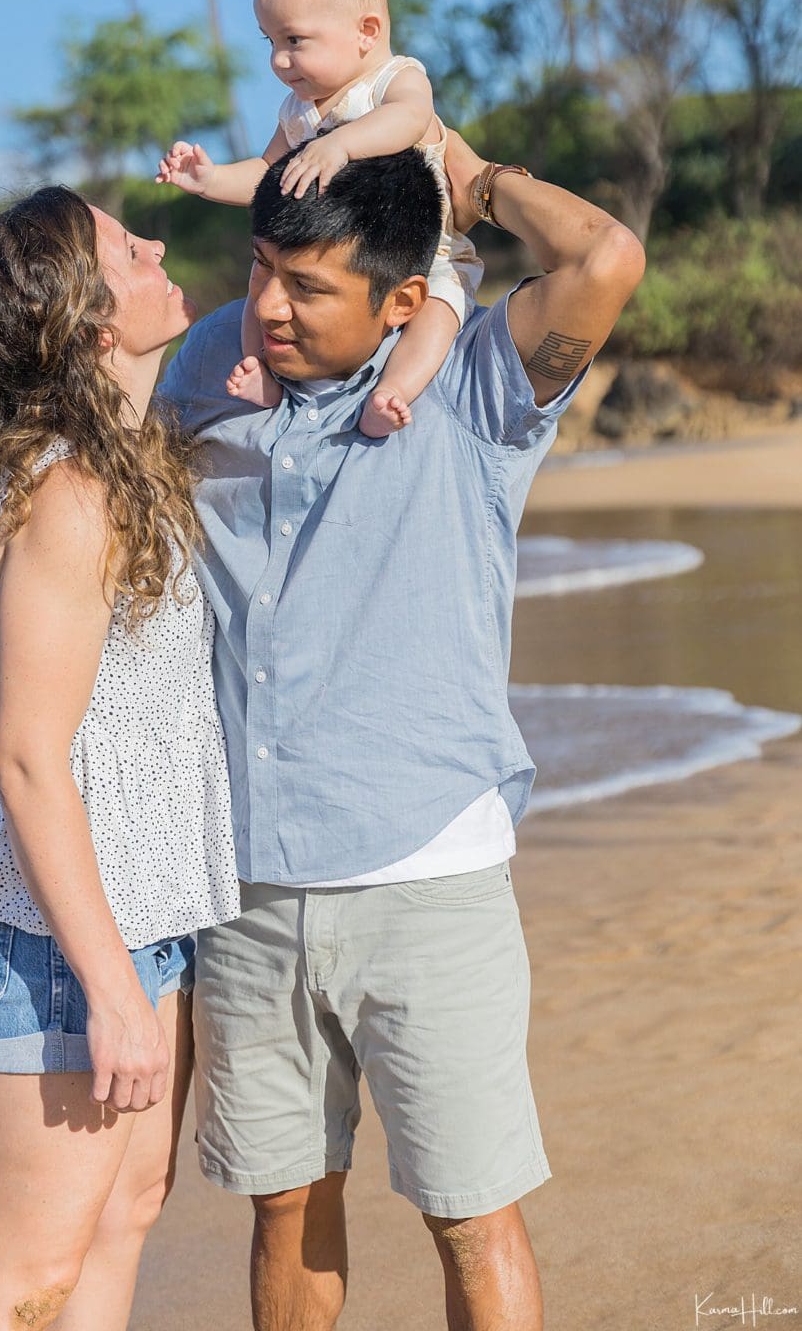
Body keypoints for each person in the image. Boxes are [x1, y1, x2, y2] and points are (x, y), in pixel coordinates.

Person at [156, 136, 645, 1330]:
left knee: (470, 1212)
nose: (267, 305)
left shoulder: (474, 385)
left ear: (402, 302)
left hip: (426, 876)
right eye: (260, 267)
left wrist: (473, 180)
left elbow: (603, 255)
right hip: (250, 884)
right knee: (282, 1207)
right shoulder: (210, 362)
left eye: (307, 285)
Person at [0, 186, 241, 1331]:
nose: (155, 246)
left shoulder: (123, 464)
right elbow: (27, 760)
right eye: (123, 246)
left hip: (127, 908)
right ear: (88, 317)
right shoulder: (71, 491)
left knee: (123, 1211)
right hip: (57, 935)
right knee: (27, 1281)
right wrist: (108, 985)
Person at [156, 0, 482, 438]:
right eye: (270, 42)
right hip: (325, 249)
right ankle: (261, 374)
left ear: (366, 32)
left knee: (442, 308)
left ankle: (394, 390)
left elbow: (411, 121)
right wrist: (210, 180)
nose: (279, 61)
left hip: (426, 250)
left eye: (294, 40)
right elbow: (268, 175)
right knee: (263, 284)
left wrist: (341, 143)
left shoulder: (394, 81)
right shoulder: (299, 111)